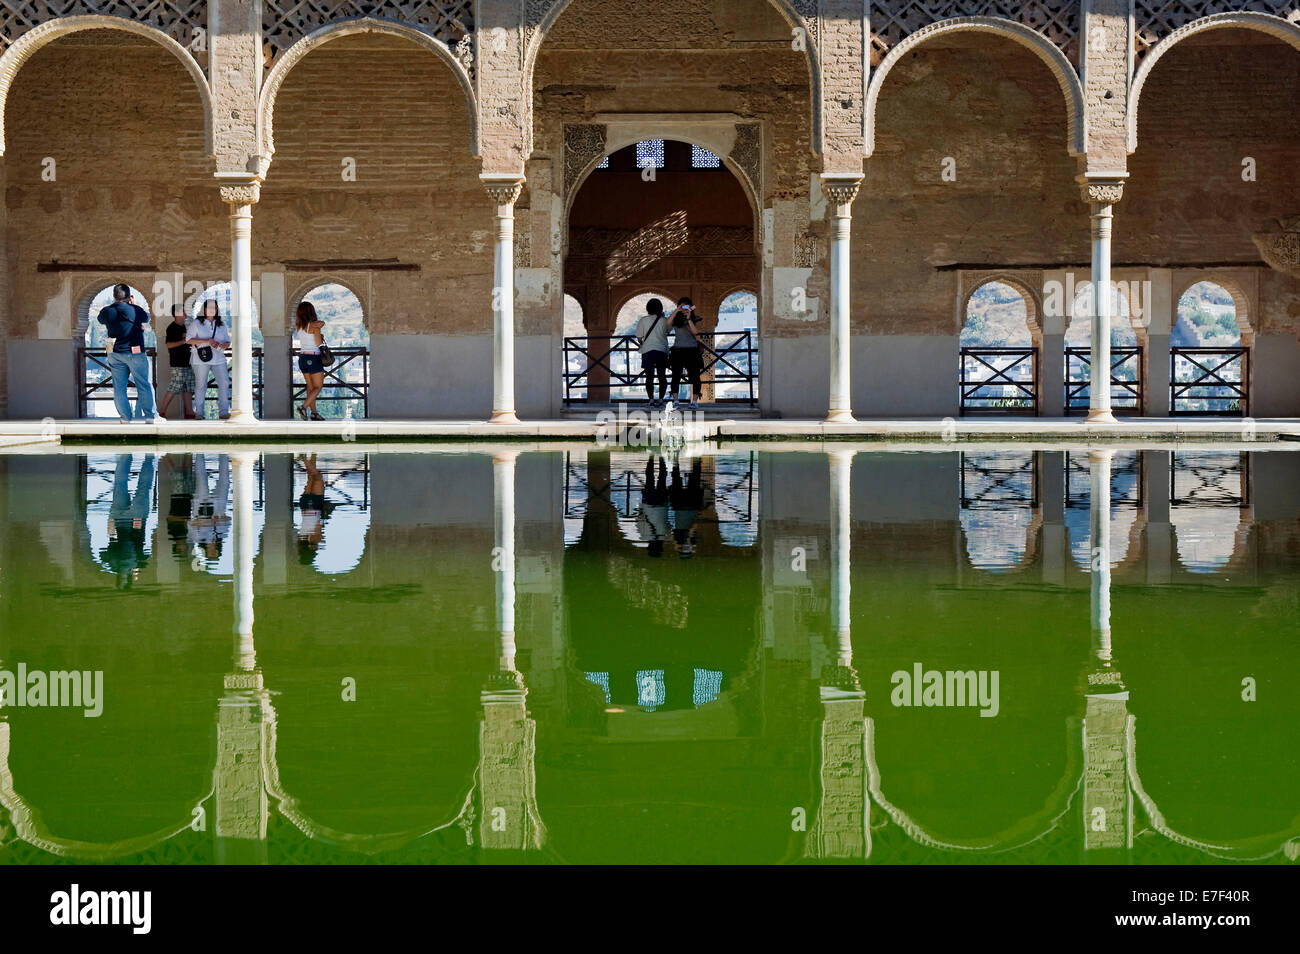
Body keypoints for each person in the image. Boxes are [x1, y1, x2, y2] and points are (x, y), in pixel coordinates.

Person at [95, 283, 159, 423]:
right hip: (135, 352)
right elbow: (146, 318)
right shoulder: (135, 310)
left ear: (114, 296)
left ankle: (125, 417)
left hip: (114, 353)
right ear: (129, 296)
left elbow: (100, 320)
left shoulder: (107, 311)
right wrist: (134, 304)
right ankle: (150, 416)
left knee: (119, 387)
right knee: (143, 384)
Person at [100, 453, 155, 588]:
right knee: (120, 484)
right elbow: (104, 553)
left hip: (137, 522)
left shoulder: (137, 564)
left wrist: (136, 568)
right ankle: (126, 454)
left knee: (143, 487)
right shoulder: (113, 565)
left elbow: (145, 555)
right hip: (118, 519)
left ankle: (149, 457)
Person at [188, 298, 232, 419]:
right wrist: (207, 341)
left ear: (217, 310)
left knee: (224, 383)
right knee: (201, 385)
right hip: (200, 358)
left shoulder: (221, 325)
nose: (212, 310)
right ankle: (199, 413)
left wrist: (226, 344)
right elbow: (188, 340)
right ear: (204, 309)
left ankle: (223, 412)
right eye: (209, 307)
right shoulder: (196, 323)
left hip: (219, 358)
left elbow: (227, 340)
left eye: (214, 308)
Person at [157, 303, 196, 420]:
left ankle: (189, 413)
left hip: (189, 362)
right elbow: (169, 344)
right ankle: (161, 412)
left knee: (188, 388)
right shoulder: (172, 327)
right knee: (174, 387)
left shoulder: (186, 326)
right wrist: (184, 342)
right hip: (178, 363)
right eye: (183, 310)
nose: (185, 312)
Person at [668, 296, 706, 408]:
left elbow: (696, 334)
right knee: (676, 376)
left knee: (695, 376)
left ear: (691, 307)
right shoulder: (676, 320)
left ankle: (694, 401)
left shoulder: (696, 319)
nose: (684, 308)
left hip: (692, 350)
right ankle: (675, 401)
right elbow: (667, 324)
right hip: (678, 350)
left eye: (686, 306)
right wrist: (676, 311)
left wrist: (689, 319)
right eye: (682, 306)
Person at [634, 298, 670, 407]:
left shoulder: (643, 320)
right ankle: (660, 400)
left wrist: (642, 341)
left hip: (648, 351)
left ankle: (651, 400)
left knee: (649, 377)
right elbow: (668, 331)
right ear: (661, 308)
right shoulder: (664, 320)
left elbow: (639, 337)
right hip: (661, 350)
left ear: (648, 308)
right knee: (662, 376)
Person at [297, 453, 333, 564]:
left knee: (318, 477)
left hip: (315, 507)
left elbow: (318, 526)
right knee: (311, 476)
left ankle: (304, 458)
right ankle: (313, 453)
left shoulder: (314, 541)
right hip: (304, 506)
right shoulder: (301, 540)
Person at [670, 456, 707, 559]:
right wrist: (689, 539)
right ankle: (678, 460)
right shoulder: (689, 539)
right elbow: (694, 525)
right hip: (685, 505)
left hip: (688, 505)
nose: (686, 548)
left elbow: (694, 524)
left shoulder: (680, 539)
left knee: (692, 478)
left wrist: (685, 541)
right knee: (683, 478)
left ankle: (692, 459)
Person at [295, 301, 327, 421]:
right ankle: (303, 407)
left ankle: (314, 413)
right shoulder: (314, 326)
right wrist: (319, 329)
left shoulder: (299, 326)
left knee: (310, 387)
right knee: (318, 387)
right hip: (313, 358)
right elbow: (318, 343)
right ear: (311, 311)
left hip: (302, 358)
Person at [637, 455, 671, 558]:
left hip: (661, 503)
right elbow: (640, 519)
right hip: (648, 502)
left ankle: (662, 459)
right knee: (649, 477)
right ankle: (651, 458)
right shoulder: (643, 535)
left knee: (662, 477)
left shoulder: (666, 536)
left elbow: (668, 524)